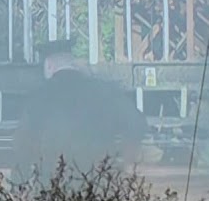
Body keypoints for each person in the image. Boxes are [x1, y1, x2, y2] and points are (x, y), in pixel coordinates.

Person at [11, 39, 148, 184]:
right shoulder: (105, 91)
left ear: (49, 65)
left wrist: (19, 185)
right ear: (73, 64)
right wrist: (127, 164)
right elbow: (137, 124)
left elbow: (23, 146)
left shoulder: (38, 97)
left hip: (54, 186)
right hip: (99, 184)